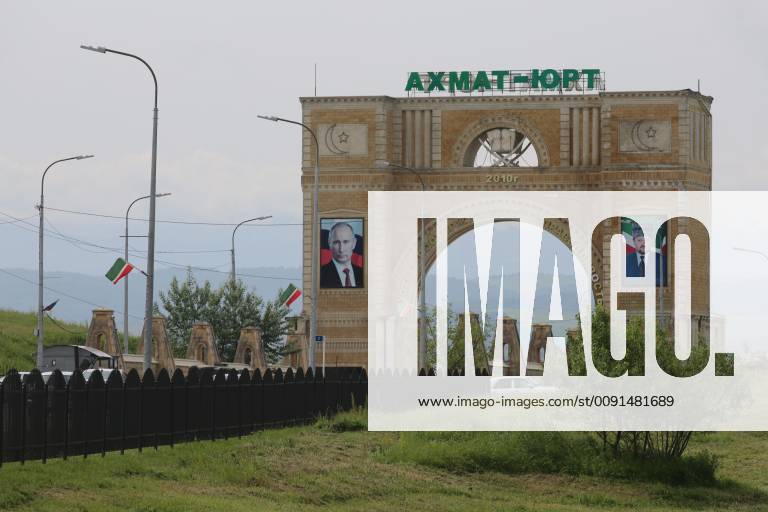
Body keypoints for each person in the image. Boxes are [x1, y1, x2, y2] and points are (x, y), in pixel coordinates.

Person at [320, 222, 363, 288]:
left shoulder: (363, 273)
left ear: (354, 243)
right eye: (336, 242)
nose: (341, 249)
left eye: (346, 242)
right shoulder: (320, 274)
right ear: (329, 243)